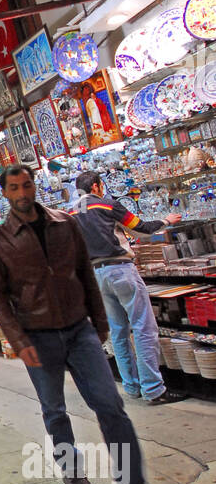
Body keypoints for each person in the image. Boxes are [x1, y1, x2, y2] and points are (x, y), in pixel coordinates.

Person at [0, 163, 168, 484]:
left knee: (111, 406)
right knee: (54, 411)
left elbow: (85, 271)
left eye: (27, 185)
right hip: (37, 335)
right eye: (15, 188)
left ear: (34, 186)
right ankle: (72, 471)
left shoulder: (65, 224)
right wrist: (19, 340)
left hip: (79, 330)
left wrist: (98, 324)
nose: (23, 193)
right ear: (4, 193)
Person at [71, 170, 186, 406]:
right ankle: (154, 389)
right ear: (95, 186)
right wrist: (166, 221)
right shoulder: (107, 205)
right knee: (144, 328)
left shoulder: (71, 213)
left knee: (118, 332)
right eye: (100, 185)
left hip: (96, 275)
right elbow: (140, 228)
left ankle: (132, 386)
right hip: (120, 270)